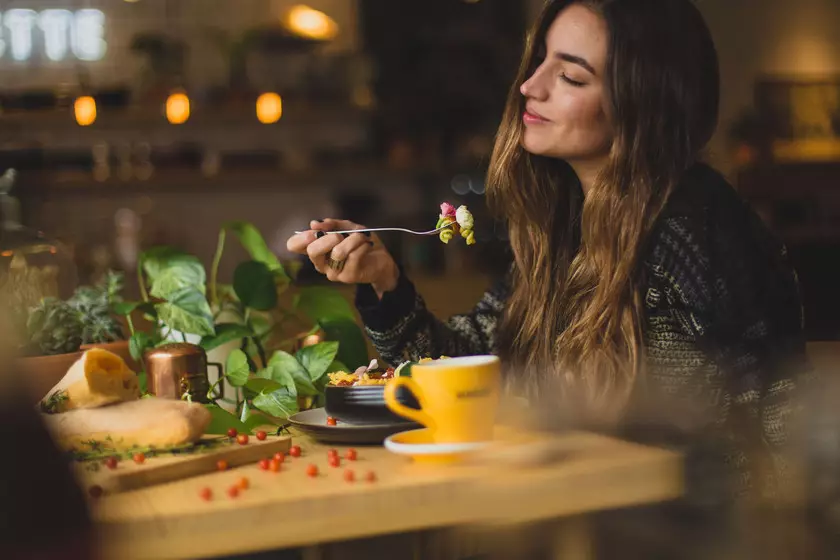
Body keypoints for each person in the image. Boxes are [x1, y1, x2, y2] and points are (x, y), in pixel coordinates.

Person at [287, 0, 809, 502]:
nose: (528, 86)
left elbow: (771, 432)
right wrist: (384, 283)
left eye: (572, 76)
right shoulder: (567, 227)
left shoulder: (692, 233)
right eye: (540, 62)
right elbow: (469, 372)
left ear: (643, 103)